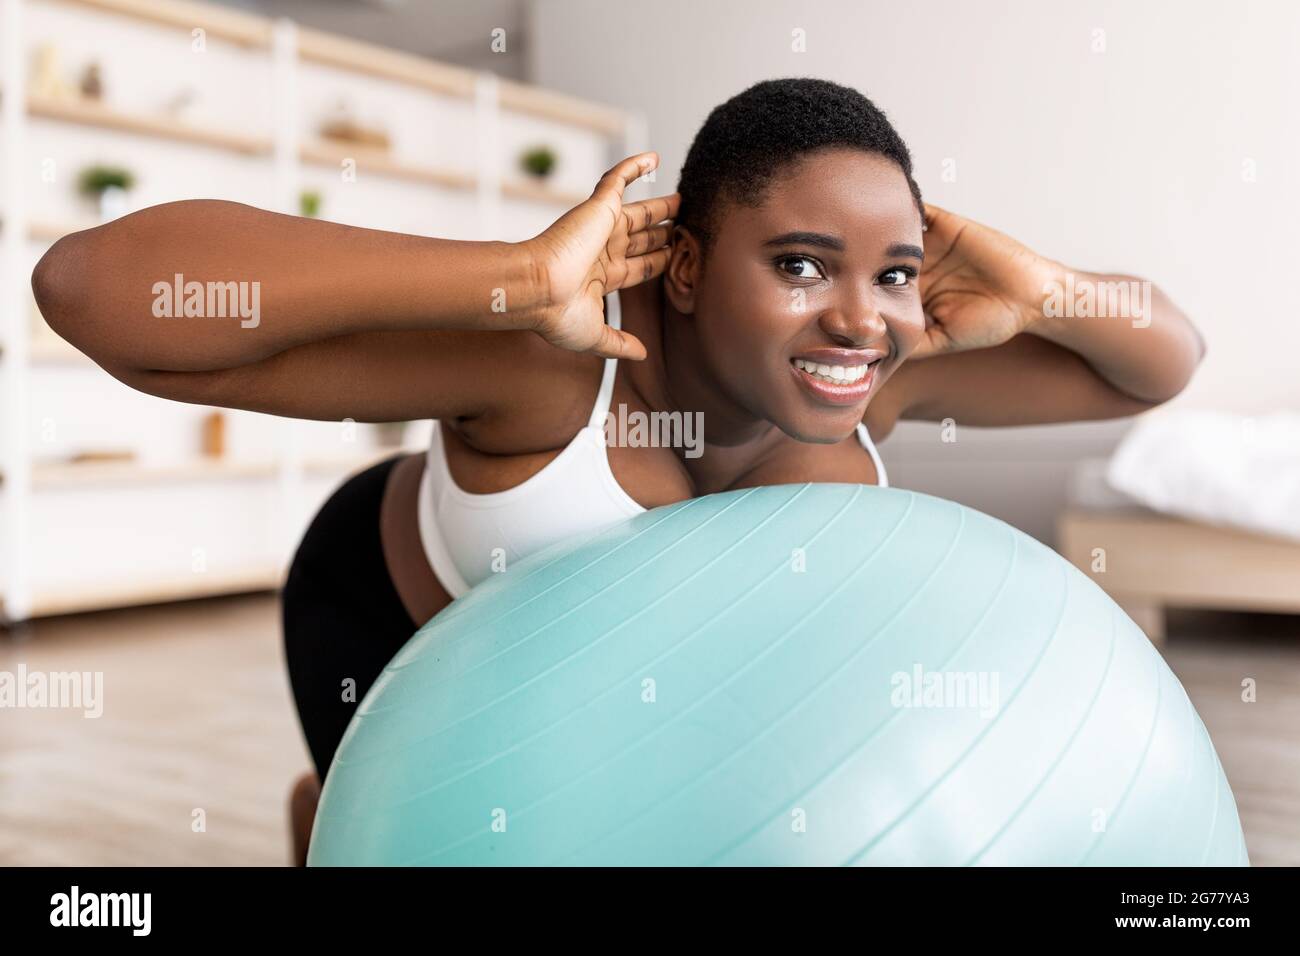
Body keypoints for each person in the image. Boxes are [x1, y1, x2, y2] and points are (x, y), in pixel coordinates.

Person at [31, 78, 1204, 864]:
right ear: (684, 267)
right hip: (379, 621)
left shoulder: (872, 373)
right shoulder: (552, 363)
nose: (858, 318)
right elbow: (92, 292)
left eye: (893, 271)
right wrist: (511, 279)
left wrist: (1041, 286)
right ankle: (322, 810)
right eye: (802, 263)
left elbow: (1157, 365)